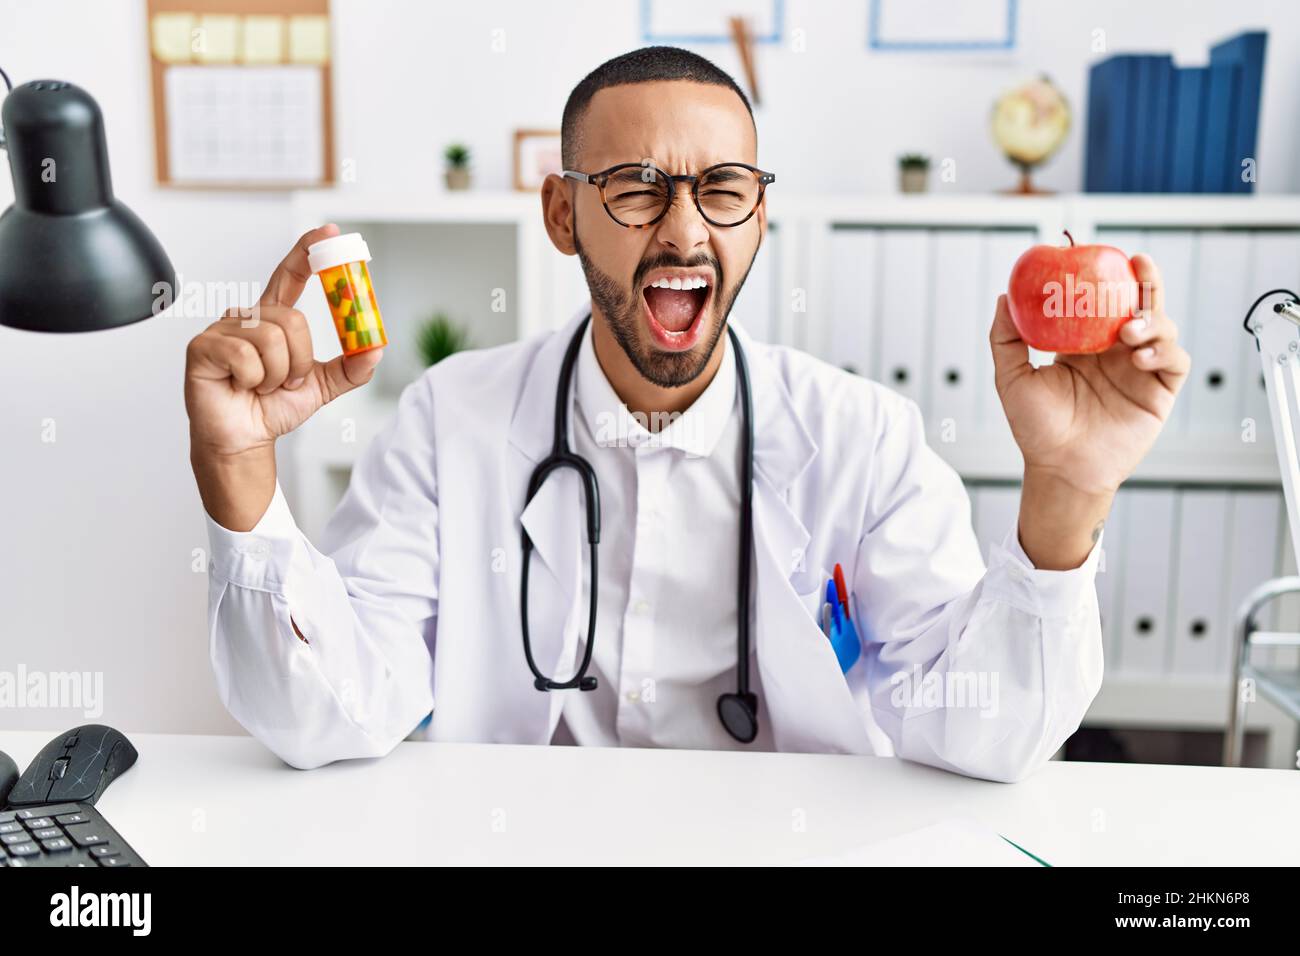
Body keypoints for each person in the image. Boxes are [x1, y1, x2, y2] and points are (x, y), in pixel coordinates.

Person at [183, 47, 1190, 779]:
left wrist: (1066, 489)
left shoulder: (860, 437)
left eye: (722, 189)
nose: (683, 230)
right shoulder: (455, 420)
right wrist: (241, 480)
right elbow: (329, 713)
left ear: (759, 214)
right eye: (634, 190)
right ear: (561, 213)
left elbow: (983, 734)